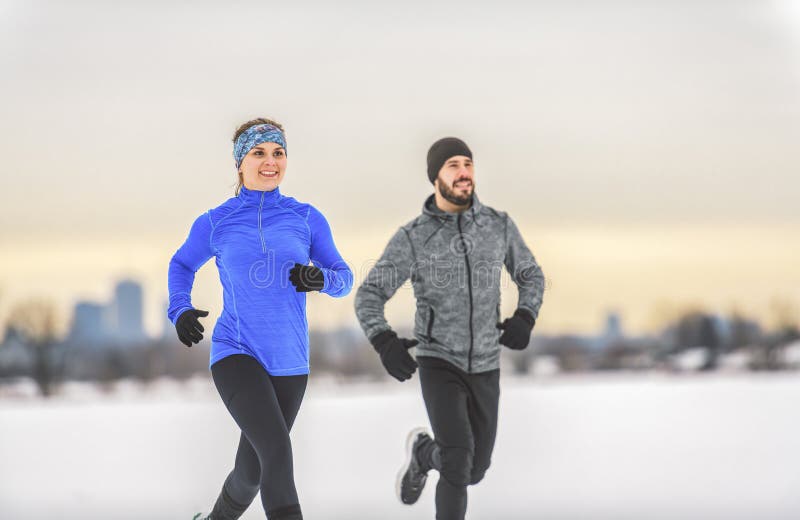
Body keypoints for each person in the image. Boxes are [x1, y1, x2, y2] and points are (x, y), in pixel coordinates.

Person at [167, 118, 353, 520]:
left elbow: (345, 279)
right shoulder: (216, 222)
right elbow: (181, 264)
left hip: (290, 361)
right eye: (259, 153)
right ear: (240, 163)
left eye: (278, 152)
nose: (270, 161)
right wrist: (179, 308)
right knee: (277, 453)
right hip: (236, 352)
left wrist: (321, 278)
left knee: (252, 472)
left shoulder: (306, 218)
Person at [354, 137, 545, 520]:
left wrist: (525, 316)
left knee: (474, 470)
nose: (464, 173)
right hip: (439, 360)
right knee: (458, 461)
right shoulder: (414, 237)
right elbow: (369, 294)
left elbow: (531, 275)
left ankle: (424, 453)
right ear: (435, 177)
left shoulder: (498, 226)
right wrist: (384, 341)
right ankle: (439, 456)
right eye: (453, 165)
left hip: (487, 362)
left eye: (468, 164)